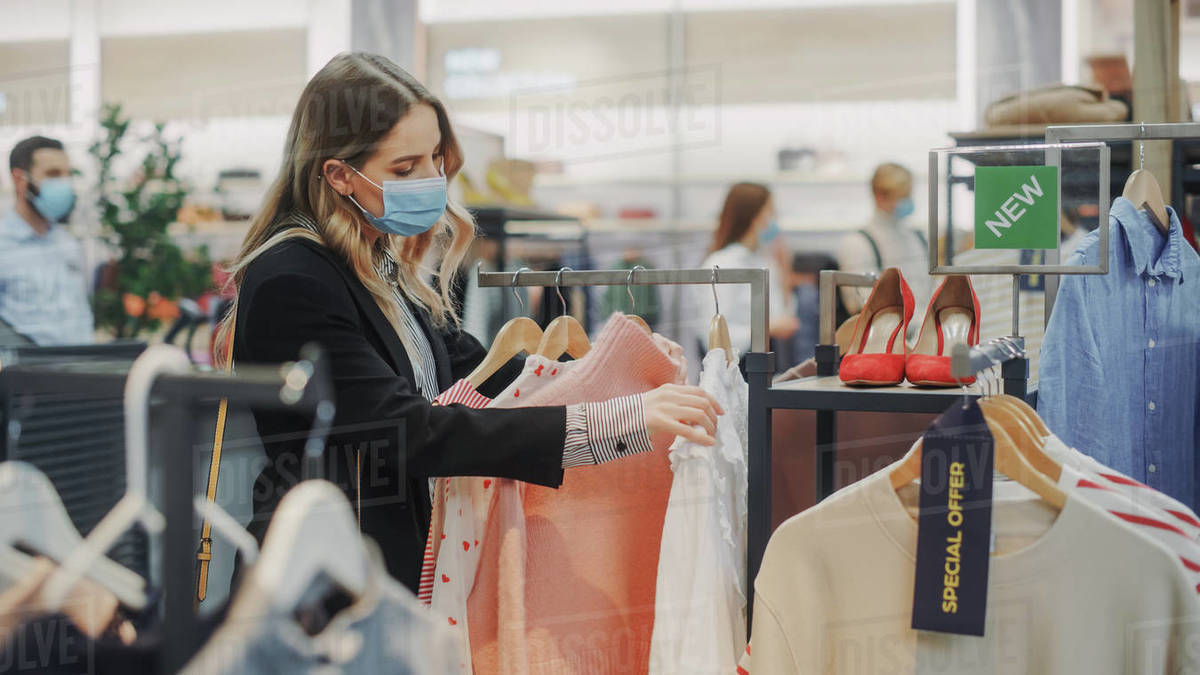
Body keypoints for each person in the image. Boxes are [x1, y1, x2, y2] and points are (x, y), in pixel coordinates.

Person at [216, 52, 722, 591]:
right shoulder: (293, 278)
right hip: (324, 587)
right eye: (405, 169)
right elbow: (408, 433)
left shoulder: (377, 265)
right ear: (340, 175)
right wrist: (616, 423)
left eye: (436, 157)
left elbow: (490, 376)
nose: (433, 180)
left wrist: (628, 378)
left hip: (391, 573)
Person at [0, 136, 93, 345]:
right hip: (28, 373)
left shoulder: (68, 244)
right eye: (53, 174)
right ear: (19, 179)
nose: (64, 183)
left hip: (83, 368)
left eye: (68, 174)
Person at [693, 182, 798, 363]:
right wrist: (767, 327)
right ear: (754, 216)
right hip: (739, 365)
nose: (774, 220)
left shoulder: (764, 260)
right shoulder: (722, 263)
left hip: (765, 359)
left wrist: (784, 266)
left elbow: (784, 316)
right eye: (770, 212)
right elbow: (714, 333)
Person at [837, 162, 931, 333]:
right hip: (887, 342)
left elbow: (930, 290)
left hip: (924, 336)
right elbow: (862, 305)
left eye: (908, 195)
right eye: (900, 196)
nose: (906, 201)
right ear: (879, 196)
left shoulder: (918, 237)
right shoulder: (858, 243)